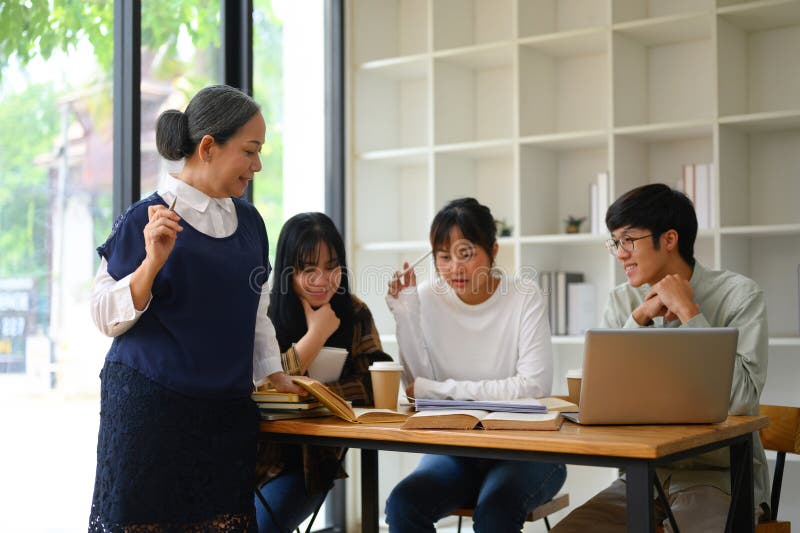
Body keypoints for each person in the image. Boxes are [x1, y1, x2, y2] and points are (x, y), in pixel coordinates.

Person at [88, 85, 302, 531]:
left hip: (225, 419)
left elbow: (256, 309)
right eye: (250, 151)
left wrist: (273, 373)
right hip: (152, 416)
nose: (257, 165)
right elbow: (104, 316)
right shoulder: (146, 218)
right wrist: (151, 264)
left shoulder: (250, 224)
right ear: (208, 147)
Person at [551, 183, 770, 533]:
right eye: (615, 242)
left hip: (721, 480)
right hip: (642, 479)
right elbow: (603, 397)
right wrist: (638, 319)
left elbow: (743, 401)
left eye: (629, 240)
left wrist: (688, 312)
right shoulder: (623, 301)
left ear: (669, 239)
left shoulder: (740, 295)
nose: (620, 253)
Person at [384, 197, 566, 533]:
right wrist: (405, 313)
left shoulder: (524, 295)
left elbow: (534, 387)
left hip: (525, 450)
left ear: (493, 250)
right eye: (443, 256)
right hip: (454, 451)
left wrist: (441, 391)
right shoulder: (424, 296)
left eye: (466, 253)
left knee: (495, 511)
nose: (455, 267)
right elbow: (416, 391)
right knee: (402, 505)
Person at [254, 212, 394, 533]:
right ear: (288, 271)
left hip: (307, 468)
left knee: (257, 527)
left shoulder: (353, 312)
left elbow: (375, 382)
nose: (323, 280)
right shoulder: (265, 316)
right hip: (250, 460)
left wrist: (318, 394)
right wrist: (314, 338)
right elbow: (261, 387)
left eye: (332, 267)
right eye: (308, 269)